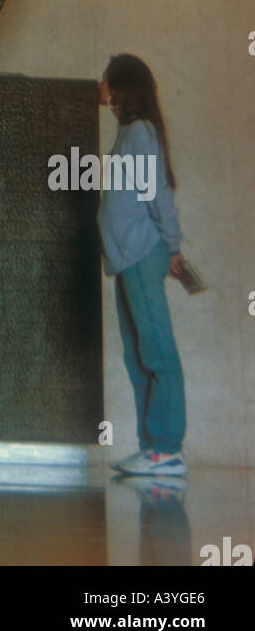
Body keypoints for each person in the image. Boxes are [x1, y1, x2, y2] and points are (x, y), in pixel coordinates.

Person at [97, 54, 187, 476]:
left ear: (121, 85)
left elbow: (158, 196)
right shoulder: (128, 133)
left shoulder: (141, 133)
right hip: (124, 260)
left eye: (106, 79)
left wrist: (172, 246)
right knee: (136, 354)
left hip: (142, 255)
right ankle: (151, 447)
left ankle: (167, 447)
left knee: (156, 350)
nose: (101, 85)